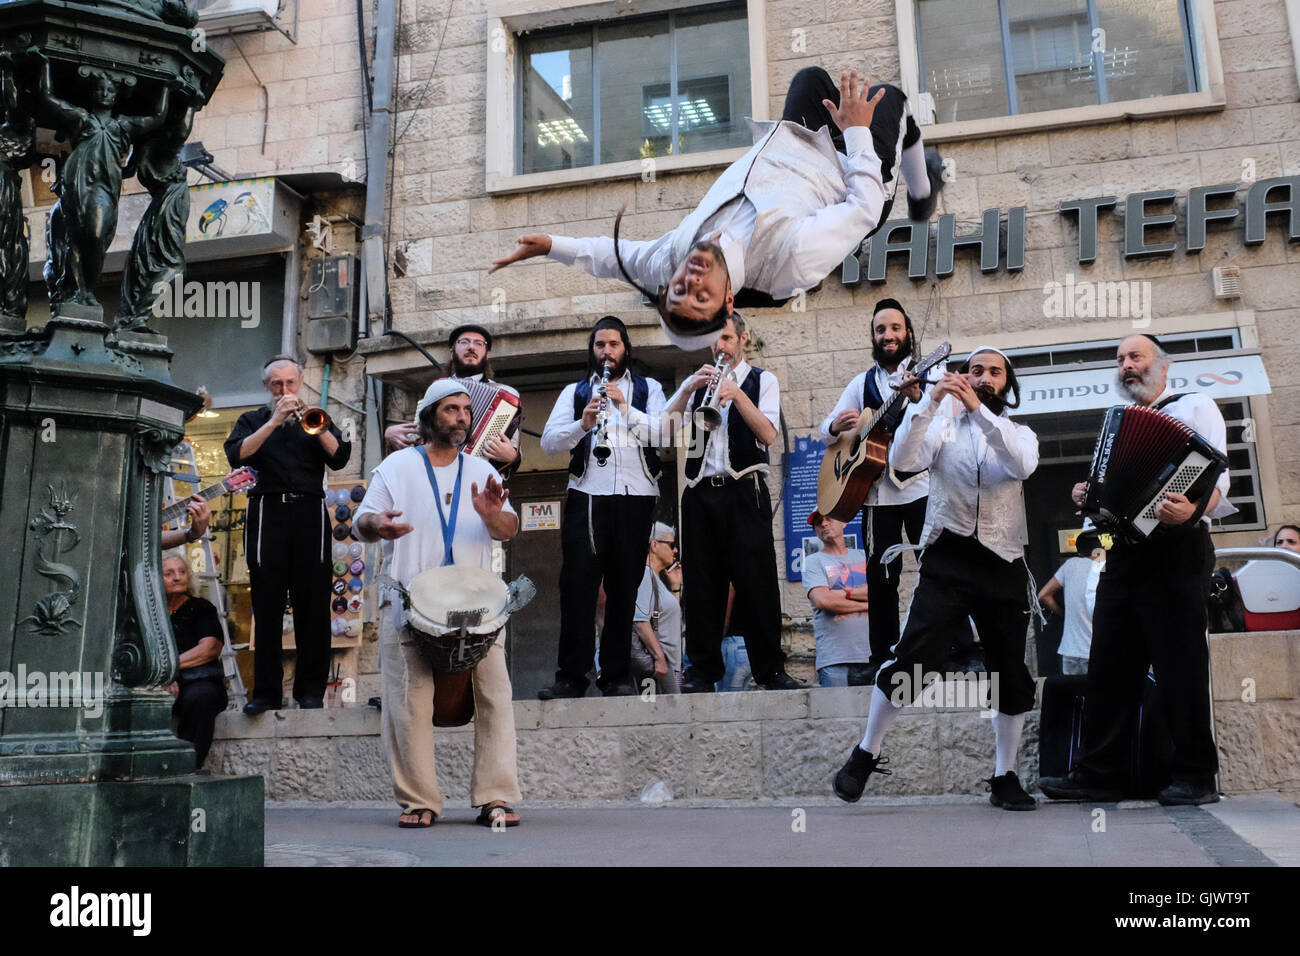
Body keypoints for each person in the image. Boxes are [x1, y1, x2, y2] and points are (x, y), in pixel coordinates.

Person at [490, 68, 944, 351]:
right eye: (701, 294)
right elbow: (861, 211)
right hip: (853, 179)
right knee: (891, 100)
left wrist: (551, 245)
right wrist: (859, 133)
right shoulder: (789, 262)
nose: (688, 281)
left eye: (677, 290)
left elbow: (617, 258)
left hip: (798, 145)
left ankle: (866, 140)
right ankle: (923, 193)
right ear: (728, 300)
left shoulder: (673, 258)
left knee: (808, 80)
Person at [833, 347, 1041, 811]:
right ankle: (867, 750)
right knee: (914, 657)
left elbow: (1020, 465)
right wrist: (926, 403)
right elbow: (905, 462)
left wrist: (976, 408)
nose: (983, 377)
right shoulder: (941, 424)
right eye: (974, 370)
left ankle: (1004, 775)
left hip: (1003, 559)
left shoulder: (1018, 432)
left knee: (1009, 668)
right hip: (948, 557)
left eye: (994, 372)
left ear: (1007, 384)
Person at [1041, 334, 1235, 807]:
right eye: (1121, 360)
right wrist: (1089, 500)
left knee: (1180, 666)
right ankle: (1098, 773)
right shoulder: (1118, 424)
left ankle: (1195, 775)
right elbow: (1109, 503)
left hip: (1178, 548)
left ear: (1162, 366)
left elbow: (1216, 479)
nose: (1127, 365)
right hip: (1123, 554)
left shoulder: (1197, 406)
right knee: (1109, 667)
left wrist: (1188, 510)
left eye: (1136, 357)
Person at [355, 379, 522, 829]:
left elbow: (508, 528)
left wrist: (491, 516)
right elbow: (361, 521)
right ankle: (420, 800)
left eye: (466, 410)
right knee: (409, 702)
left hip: (479, 607)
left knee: (495, 697)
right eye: (451, 409)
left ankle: (497, 797)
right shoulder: (396, 467)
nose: (462, 417)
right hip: (410, 602)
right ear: (429, 417)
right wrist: (378, 524)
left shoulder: (481, 468)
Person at [664, 313, 800, 691]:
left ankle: (769, 669)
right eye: (714, 340)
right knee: (702, 583)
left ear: (742, 339)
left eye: (726, 338)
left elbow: (768, 434)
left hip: (744, 487)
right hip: (700, 490)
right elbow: (667, 431)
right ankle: (703, 671)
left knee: (756, 581)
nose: (719, 346)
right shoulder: (698, 385)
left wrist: (737, 394)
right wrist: (689, 390)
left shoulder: (761, 381)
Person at [537, 316, 667, 698]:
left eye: (613, 344)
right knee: (578, 588)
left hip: (636, 495)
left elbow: (663, 433)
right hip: (587, 495)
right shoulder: (576, 391)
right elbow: (548, 443)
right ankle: (571, 678)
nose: (606, 352)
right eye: (599, 345)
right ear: (592, 351)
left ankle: (615, 677)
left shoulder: (650, 388)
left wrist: (625, 408)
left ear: (626, 348)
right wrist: (582, 424)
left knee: (624, 590)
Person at [224, 355, 352, 714]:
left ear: (300, 382)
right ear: (267, 387)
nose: (284, 390)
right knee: (266, 605)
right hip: (268, 511)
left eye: (290, 383)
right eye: (277, 385)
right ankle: (265, 693)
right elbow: (237, 455)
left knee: (313, 606)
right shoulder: (252, 420)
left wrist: (314, 423)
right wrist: (275, 420)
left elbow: (339, 457)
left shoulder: (317, 418)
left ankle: (309, 691)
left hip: (310, 510)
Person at [819, 298, 937, 679]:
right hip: (876, 495)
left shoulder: (928, 373)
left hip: (919, 488)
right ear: (873, 336)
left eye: (895, 328)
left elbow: (942, 427)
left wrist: (919, 399)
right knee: (881, 578)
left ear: (909, 334)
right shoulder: (861, 383)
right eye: (880, 330)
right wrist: (836, 427)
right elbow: (827, 432)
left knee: (936, 570)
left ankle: (947, 648)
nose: (888, 335)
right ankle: (882, 658)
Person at [385, 323, 522, 477]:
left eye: (479, 343)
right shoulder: (436, 391)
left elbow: (515, 454)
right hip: (436, 477)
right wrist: (390, 435)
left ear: (487, 354)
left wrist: (512, 457)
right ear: (452, 352)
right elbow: (417, 442)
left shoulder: (507, 396)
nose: (471, 347)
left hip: (480, 483)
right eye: (464, 342)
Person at [162, 554, 226, 769]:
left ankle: (188, 766)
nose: (177, 577)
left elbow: (209, 649)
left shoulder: (201, 608)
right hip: (158, 682)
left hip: (197, 682)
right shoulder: (152, 612)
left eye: (182, 572)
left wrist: (169, 668)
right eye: (169, 573)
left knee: (201, 697)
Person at [802, 513, 873, 687]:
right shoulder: (812, 562)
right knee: (837, 714)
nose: (824, 524)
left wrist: (842, 593)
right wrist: (868, 604)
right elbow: (824, 601)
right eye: (818, 523)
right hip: (835, 660)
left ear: (843, 522)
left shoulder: (865, 556)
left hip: (873, 657)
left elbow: (881, 593)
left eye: (829, 519)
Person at [1037, 531, 1107, 675]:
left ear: (1079, 550)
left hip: (1070, 650)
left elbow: (1043, 595)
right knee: (1097, 695)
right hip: (1096, 651)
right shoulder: (1103, 569)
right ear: (1099, 549)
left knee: (1072, 694)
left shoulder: (1070, 565)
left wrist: (1064, 613)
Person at [631, 523, 683, 695]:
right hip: (657, 667)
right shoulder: (644, 575)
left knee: (664, 716)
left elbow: (670, 621)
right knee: (653, 713)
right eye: (671, 545)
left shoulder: (655, 579)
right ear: (654, 545)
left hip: (667, 665)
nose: (675, 550)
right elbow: (640, 620)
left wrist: (675, 587)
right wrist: (660, 659)